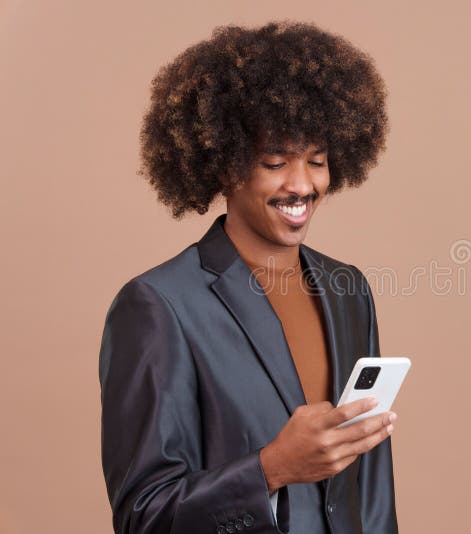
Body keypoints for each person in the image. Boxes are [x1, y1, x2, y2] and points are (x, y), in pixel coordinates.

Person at [98, 20, 398, 534]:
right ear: (225, 165)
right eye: (275, 162)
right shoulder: (157, 305)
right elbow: (143, 516)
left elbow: (370, 492)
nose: (301, 184)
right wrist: (271, 468)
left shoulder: (347, 289)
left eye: (317, 161)